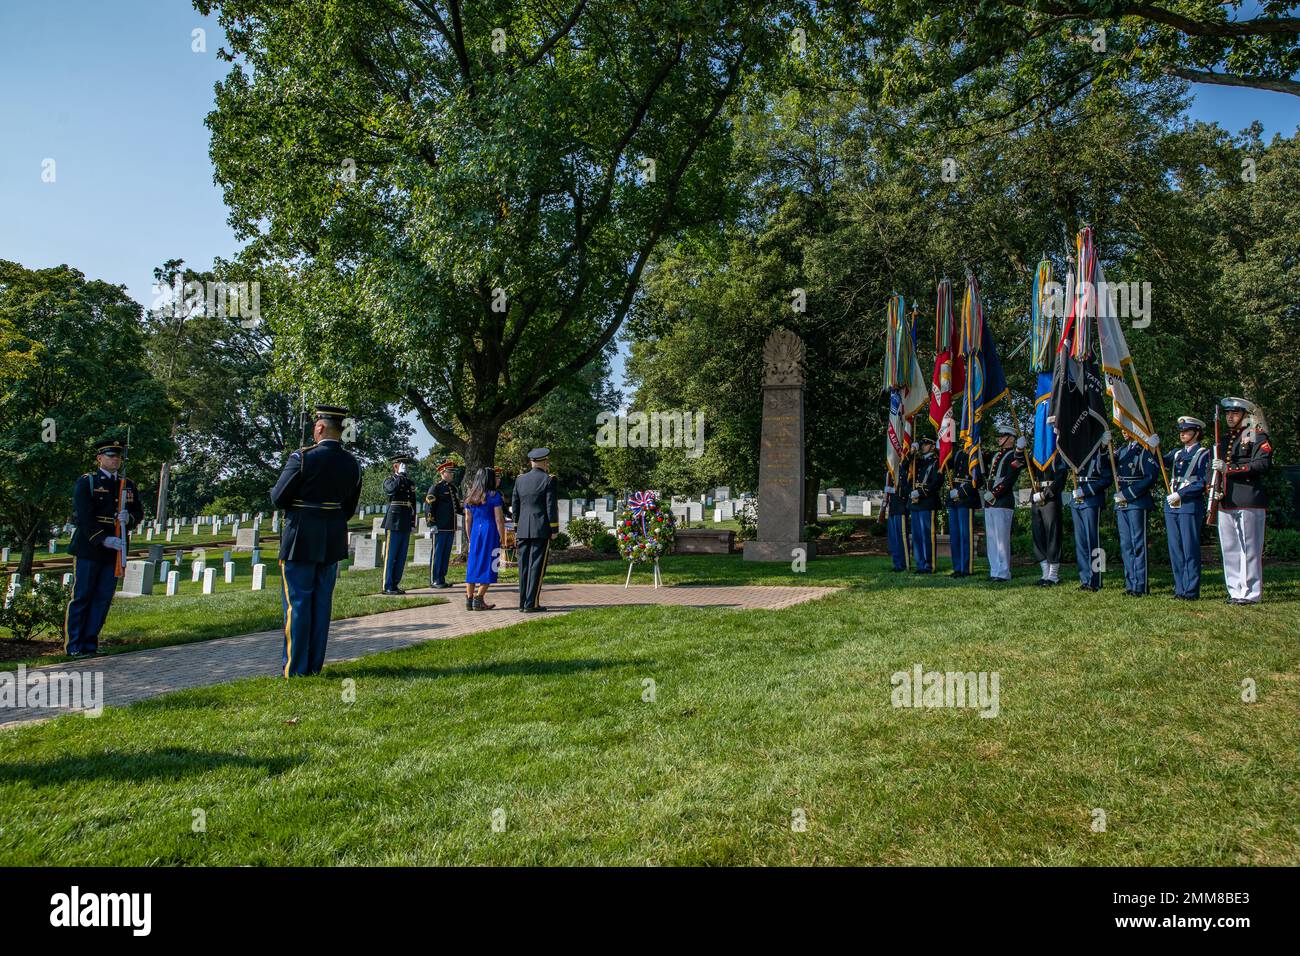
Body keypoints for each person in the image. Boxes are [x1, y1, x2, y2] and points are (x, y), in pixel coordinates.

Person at [270, 404, 363, 677]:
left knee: (298, 603)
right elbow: (349, 507)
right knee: (322, 604)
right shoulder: (353, 463)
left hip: (301, 537)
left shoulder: (302, 457)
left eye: (315, 425)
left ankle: (296, 668)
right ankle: (314, 666)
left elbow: (278, 498)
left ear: (320, 428)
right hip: (332, 537)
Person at [64, 438, 143, 657]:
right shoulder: (88, 482)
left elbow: (139, 511)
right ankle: (75, 646)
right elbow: (83, 516)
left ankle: (90, 644)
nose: (115, 460)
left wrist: (131, 518)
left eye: (118, 457)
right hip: (90, 547)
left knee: (103, 598)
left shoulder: (128, 485)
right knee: (83, 596)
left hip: (115, 549)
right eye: (111, 456)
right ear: (100, 458)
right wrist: (102, 539)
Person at [1214, 397, 1273, 605]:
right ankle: (1235, 590)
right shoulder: (1226, 438)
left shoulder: (1256, 436)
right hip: (1226, 499)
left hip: (1248, 497)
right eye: (1228, 413)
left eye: (1235, 413)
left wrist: (1229, 469)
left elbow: (1262, 465)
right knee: (1229, 548)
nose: (1230, 417)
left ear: (1245, 416)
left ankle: (1251, 593)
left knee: (1249, 548)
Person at [1163, 415, 1210, 600]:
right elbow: (1158, 459)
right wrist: (1149, 445)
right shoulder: (1177, 453)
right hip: (1172, 506)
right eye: (1181, 431)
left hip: (1189, 505)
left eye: (1187, 431)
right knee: (1175, 549)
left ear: (1196, 433)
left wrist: (1181, 494)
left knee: (1189, 548)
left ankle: (1190, 591)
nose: (1182, 434)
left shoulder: (1204, 454)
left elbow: (1202, 483)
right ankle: (1180, 588)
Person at [512, 447, 559, 612]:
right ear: (545, 462)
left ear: (531, 462)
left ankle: (523, 602)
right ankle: (532, 604)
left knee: (523, 566)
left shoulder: (520, 480)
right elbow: (550, 506)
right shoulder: (549, 479)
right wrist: (554, 528)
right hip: (541, 528)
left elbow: (515, 505)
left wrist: (517, 527)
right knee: (537, 567)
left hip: (523, 528)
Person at [1113, 436, 1160, 596]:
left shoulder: (1144, 449)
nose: (1123, 432)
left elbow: (1151, 476)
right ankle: (1130, 584)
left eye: (1127, 428)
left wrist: (1128, 494)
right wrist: (1105, 449)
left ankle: (1141, 585)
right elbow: (1106, 465)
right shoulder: (1122, 450)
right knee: (1126, 545)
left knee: (1138, 544)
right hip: (1121, 501)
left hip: (1137, 501)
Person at [980, 425, 1026, 582]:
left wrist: (994, 493)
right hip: (990, 501)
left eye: (1003, 436)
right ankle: (994, 571)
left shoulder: (1014, 456)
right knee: (992, 539)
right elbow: (980, 458)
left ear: (1011, 439)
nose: (999, 438)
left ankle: (1004, 572)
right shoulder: (996, 455)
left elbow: (1010, 479)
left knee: (1001, 539)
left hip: (1002, 500)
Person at [1070, 441, 1114, 591]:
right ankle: (1085, 579)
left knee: (1093, 541)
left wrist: (1087, 491)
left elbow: (1107, 478)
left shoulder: (1101, 454)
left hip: (1091, 498)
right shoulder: (1075, 453)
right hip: (1076, 498)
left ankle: (1096, 579)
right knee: (1081, 542)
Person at [463, 467, 505, 611]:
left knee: (473, 564)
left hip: (475, 532)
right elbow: (499, 519)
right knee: (491, 564)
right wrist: (503, 537)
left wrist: (469, 538)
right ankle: (479, 598)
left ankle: (469, 598)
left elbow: (468, 520)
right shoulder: (494, 495)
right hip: (490, 531)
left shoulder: (470, 496)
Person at [380, 454, 417, 595]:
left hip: (406, 520)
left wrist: (413, 522)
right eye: (402, 464)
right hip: (394, 520)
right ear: (395, 466)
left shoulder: (409, 482)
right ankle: (387, 585)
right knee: (391, 555)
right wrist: (400, 476)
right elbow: (391, 491)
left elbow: (412, 503)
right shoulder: (390, 480)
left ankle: (395, 584)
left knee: (401, 556)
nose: (405, 466)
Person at [1030, 454, 1067, 587]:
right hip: (1036, 494)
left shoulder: (1057, 454)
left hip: (1050, 497)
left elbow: (1061, 476)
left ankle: (1053, 575)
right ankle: (1045, 573)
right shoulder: (1037, 452)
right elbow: (1023, 462)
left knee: (1053, 534)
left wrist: (1045, 494)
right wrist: (1019, 449)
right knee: (1038, 534)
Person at [423, 459, 460, 589]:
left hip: (450, 526)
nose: (452, 475)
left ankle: (442, 578)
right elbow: (429, 507)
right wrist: (431, 523)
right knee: (437, 554)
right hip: (439, 527)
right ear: (442, 473)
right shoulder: (436, 488)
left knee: (445, 555)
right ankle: (434, 579)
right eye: (450, 472)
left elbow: (457, 507)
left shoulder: (452, 488)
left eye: (452, 472)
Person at [908, 436, 941, 573]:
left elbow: (936, 483)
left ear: (933, 446)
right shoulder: (917, 461)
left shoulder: (937, 462)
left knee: (927, 535)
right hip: (915, 503)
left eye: (926, 444)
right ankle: (920, 564)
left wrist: (920, 492)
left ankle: (929, 565)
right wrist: (912, 452)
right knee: (916, 536)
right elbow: (904, 467)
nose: (923, 446)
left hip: (927, 501)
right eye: (921, 444)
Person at [946, 447, 979, 577]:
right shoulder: (959, 453)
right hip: (953, 498)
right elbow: (946, 466)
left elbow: (978, 480)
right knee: (954, 536)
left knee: (965, 535)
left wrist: (960, 492)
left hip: (966, 498)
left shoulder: (976, 453)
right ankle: (957, 568)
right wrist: (942, 450)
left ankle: (966, 568)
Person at [884, 450, 912, 572]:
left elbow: (907, 489)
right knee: (894, 538)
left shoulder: (906, 472)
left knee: (902, 538)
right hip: (893, 508)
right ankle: (896, 563)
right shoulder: (890, 472)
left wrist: (894, 490)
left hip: (901, 507)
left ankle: (904, 563)